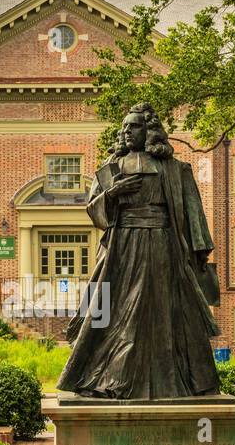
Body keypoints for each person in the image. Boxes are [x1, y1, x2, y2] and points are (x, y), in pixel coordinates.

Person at [57, 103, 221, 399]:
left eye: (134, 126)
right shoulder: (111, 169)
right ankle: (110, 376)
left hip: (163, 246)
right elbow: (94, 212)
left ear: (149, 131)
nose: (127, 132)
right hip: (123, 249)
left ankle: (176, 381)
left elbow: (194, 213)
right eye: (125, 127)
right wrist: (114, 193)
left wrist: (199, 251)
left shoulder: (174, 169)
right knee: (117, 312)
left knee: (166, 312)